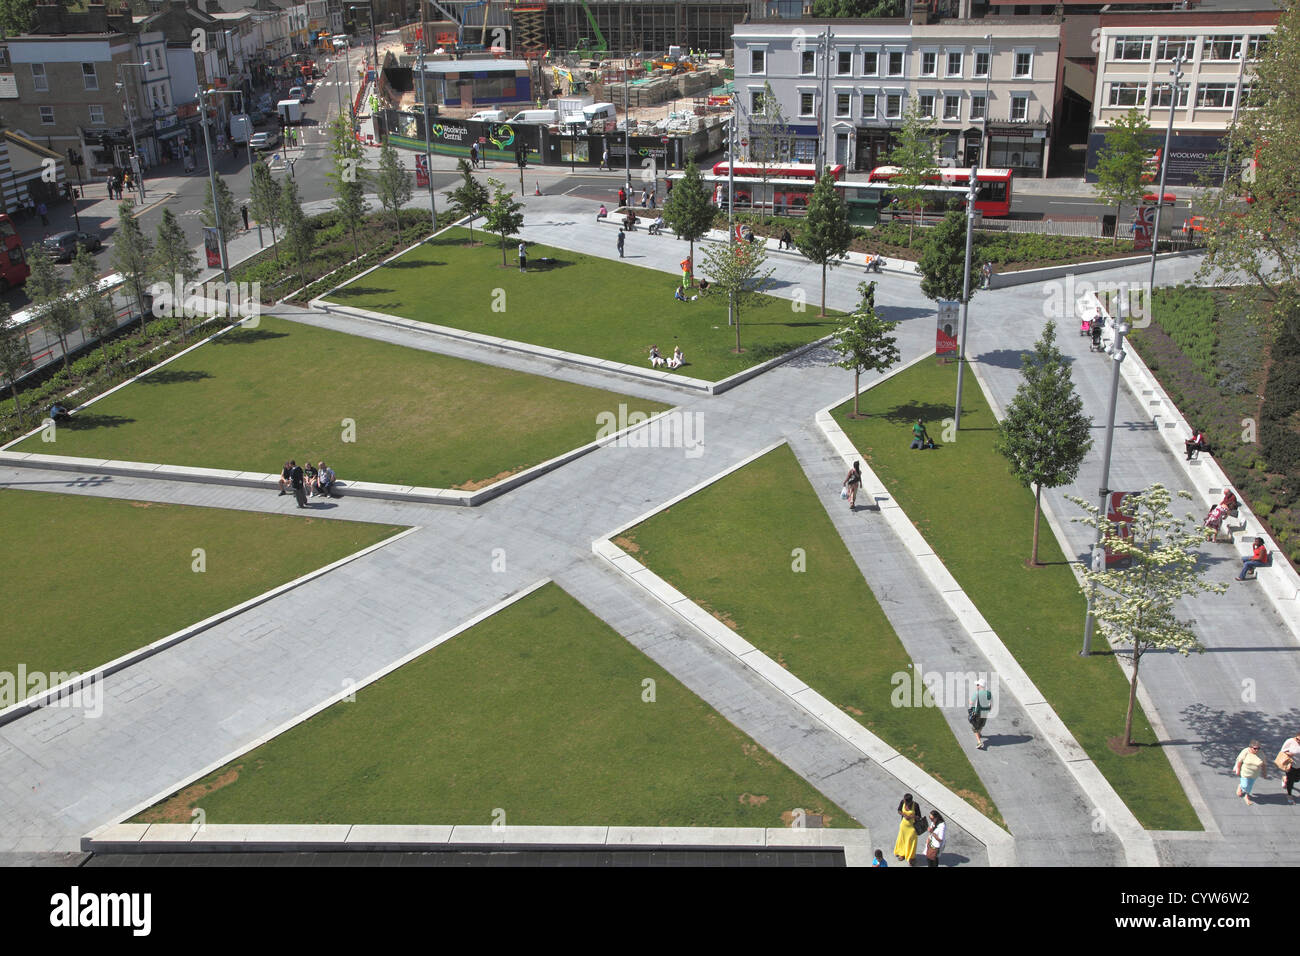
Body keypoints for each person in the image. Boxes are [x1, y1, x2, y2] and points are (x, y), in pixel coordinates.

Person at [1234, 739, 1268, 805]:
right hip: (1245, 772)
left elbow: (1264, 764)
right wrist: (1238, 769)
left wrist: (1264, 773)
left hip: (1254, 774)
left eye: (1258, 748)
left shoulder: (1261, 753)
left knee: (1249, 785)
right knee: (1245, 784)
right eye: (1255, 748)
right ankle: (1241, 786)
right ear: (1250, 747)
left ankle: (1246, 795)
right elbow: (1239, 761)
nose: (1257, 750)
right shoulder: (1246, 751)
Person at [893, 793, 921, 864]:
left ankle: (911, 857)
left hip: (912, 827)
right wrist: (904, 815)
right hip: (903, 826)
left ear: (910, 801)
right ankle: (902, 854)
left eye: (906, 801)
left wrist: (912, 816)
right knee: (902, 840)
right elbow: (899, 810)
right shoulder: (902, 802)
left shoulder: (916, 805)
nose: (904, 802)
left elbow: (919, 817)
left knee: (911, 841)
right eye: (904, 801)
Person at [969, 678, 992, 750]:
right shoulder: (988, 693)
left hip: (977, 713)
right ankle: (979, 733)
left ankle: (979, 742)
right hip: (985, 713)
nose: (976, 685)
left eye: (977, 684)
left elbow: (971, 703)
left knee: (974, 728)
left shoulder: (977, 693)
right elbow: (990, 703)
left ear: (980, 686)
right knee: (981, 724)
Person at [1277, 732, 1300, 805]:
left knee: (1297, 779)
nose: (1298, 741)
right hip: (1291, 765)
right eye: (1297, 739)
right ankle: (1289, 795)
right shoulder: (1290, 741)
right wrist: (1289, 754)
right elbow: (1282, 751)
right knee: (1291, 781)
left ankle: (1285, 779)